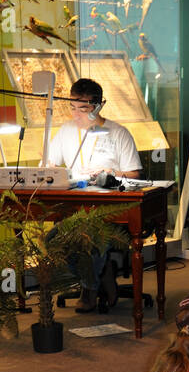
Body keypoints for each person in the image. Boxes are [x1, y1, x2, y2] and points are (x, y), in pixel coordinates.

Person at [47, 78, 142, 312]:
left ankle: (89, 287)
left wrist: (111, 173)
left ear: (97, 107)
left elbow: (136, 174)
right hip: (76, 209)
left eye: (83, 109)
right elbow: (49, 164)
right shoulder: (66, 131)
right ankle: (101, 274)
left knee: (90, 237)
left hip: (110, 211)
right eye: (72, 107)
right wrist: (51, 170)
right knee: (51, 241)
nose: (76, 114)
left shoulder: (118, 133)